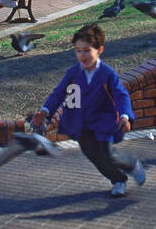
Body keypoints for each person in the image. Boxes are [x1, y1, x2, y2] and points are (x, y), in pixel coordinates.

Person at [33, 24, 145, 198]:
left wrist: (125, 116)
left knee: (106, 153)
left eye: (86, 50)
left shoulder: (107, 73)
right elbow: (59, 93)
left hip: (103, 122)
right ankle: (118, 179)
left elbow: (120, 95)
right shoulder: (73, 73)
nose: (82, 55)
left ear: (99, 50)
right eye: (78, 51)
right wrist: (45, 110)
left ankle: (131, 164)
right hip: (81, 124)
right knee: (92, 154)